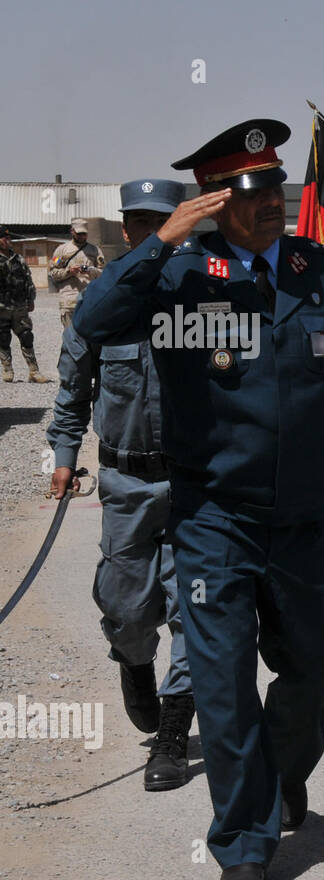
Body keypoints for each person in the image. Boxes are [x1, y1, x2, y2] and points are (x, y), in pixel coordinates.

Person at [73, 119, 324, 880]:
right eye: (250, 193)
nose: (270, 202)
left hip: (310, 517)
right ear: (216, 201)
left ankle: (282, 779)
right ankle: (244, 840)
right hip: (215, 517)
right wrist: (158, 242)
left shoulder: (323, 271)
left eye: (275, 187)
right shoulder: (179, 276)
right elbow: (94, 320)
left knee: (317, 666)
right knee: (223, 683)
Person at [46, 178, 196, 791]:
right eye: (139, 223)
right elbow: (72, 388)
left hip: (193, 483)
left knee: (196, 609)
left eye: (162, 222)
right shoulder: (101, 310)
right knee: (126, 606)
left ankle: (172, 733)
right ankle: (134, 664)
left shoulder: (196, 304)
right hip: (126, 483)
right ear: (127, 229)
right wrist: (62, 452)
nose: (149, 233)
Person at [0, 225, 48, 382]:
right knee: (3, 337)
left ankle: (34, 371)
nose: (8, 240)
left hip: (20, 306)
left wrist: (31, 299)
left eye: (8, 238)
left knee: (27, 336)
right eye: (4, 238)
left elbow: (28, 279)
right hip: (2, 307)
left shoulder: (18, 259)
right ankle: (8, 369)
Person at [49, 218, 105, 328]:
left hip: (88, 299)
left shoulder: (95, 251)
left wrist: (91, 270)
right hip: (68, 301)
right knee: (70, 337)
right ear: (72, 231)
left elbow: (103, 274)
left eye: (84, 234)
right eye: (79, 234)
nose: (82, 237)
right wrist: (68, 272)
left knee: (89, 336)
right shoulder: (61, 250)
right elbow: (53, 273)